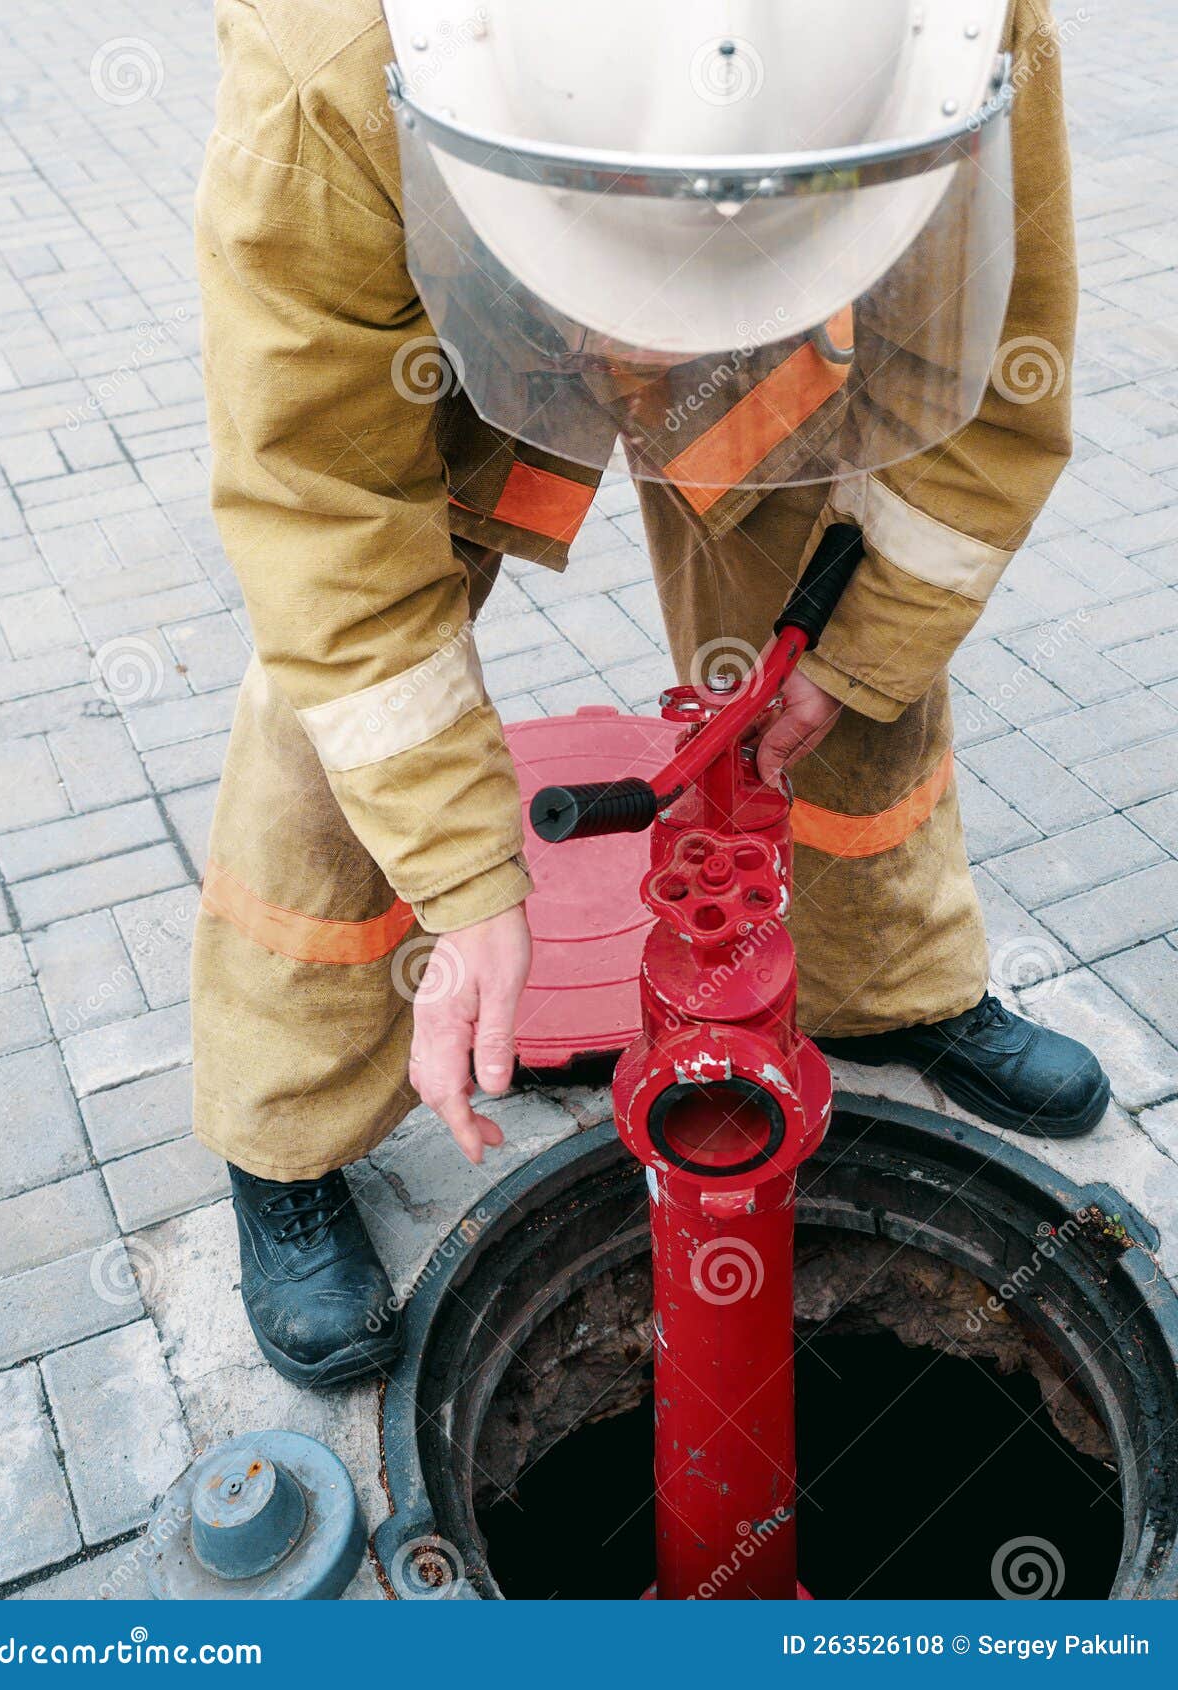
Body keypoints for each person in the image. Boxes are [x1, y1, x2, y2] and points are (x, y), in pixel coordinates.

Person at [192, 0, 1109, 1387]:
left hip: (789, 290)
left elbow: (985, 387)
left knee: (824, 631)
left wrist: (866, 652)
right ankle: (287, 1131)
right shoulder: (333, 65)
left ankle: (893, 986)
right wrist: (461, 872)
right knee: (346, 719)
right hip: (462, 297)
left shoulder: (956, 31)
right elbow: (326, 514)